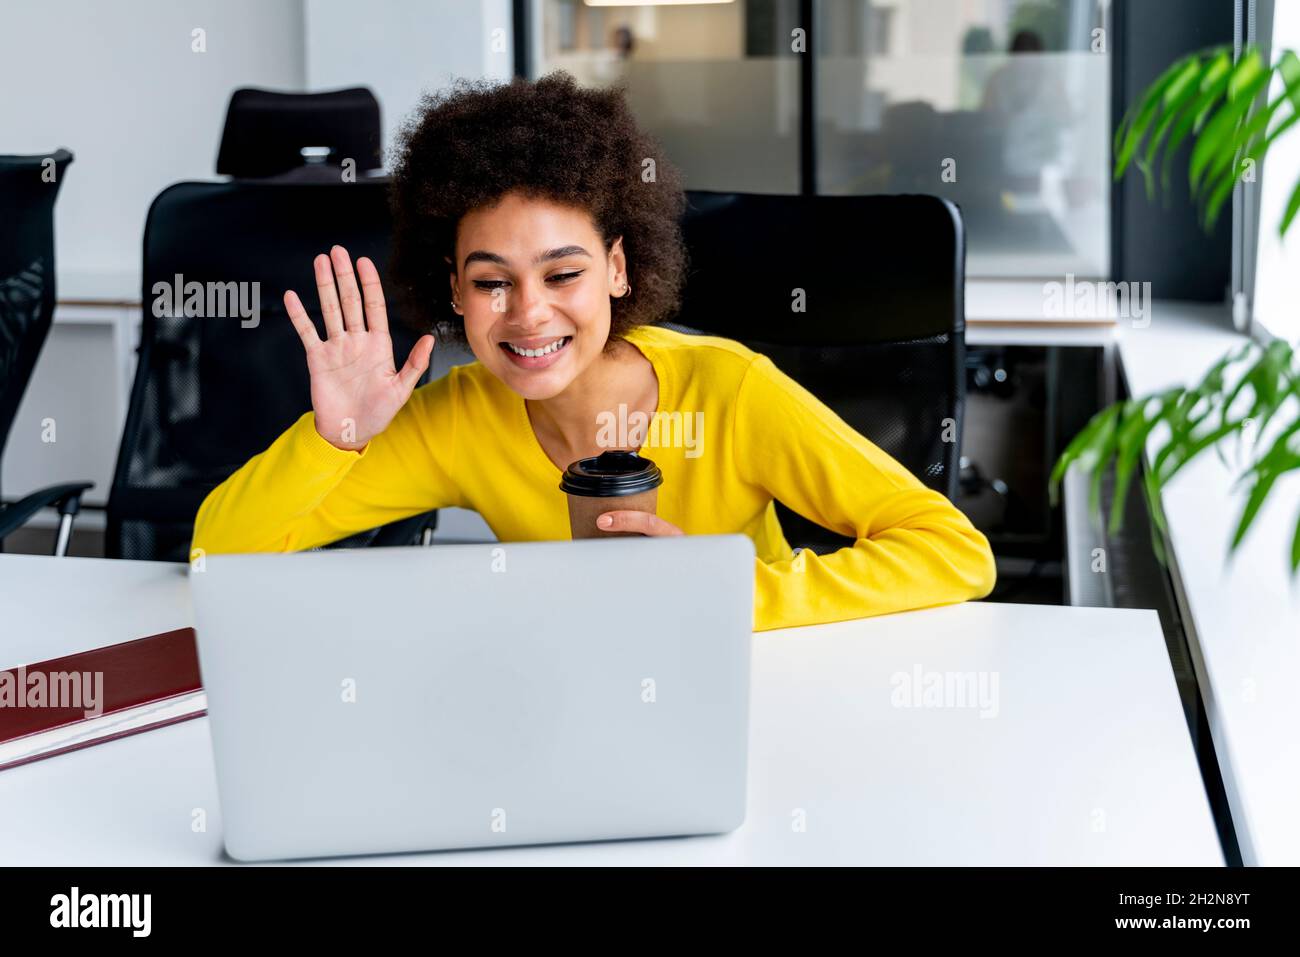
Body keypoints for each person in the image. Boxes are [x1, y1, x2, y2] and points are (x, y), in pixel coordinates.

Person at [191, 71, 996, 632]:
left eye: (563, 272)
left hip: (750, 692)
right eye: (491, 281)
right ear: (454, 291)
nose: (529, 314)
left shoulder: (730, 390)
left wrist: (722, 594)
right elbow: (219, 553)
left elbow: (954, 552)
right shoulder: (457, 419)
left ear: (616, 267)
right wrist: (336, 442)